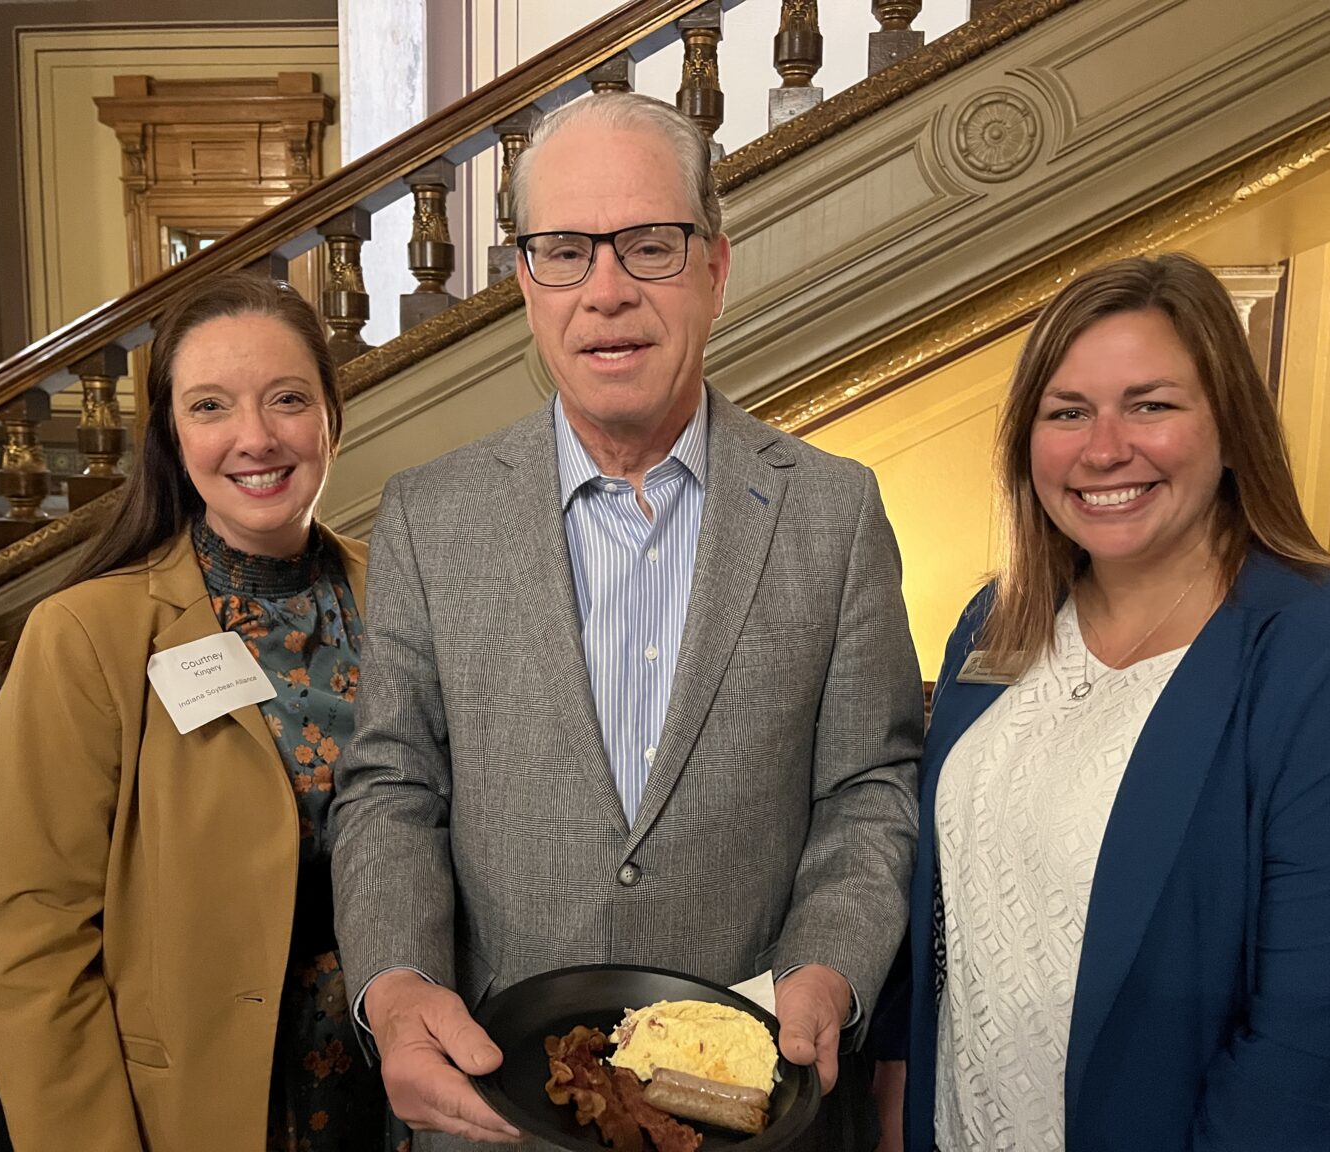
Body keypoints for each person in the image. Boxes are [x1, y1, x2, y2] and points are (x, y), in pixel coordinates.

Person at [330, 92, 925, 1150]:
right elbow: (392, 787)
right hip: (496, 1101)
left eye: (650, 245)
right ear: (526, 283)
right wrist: (396, 980)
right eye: (564, 251)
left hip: (756, 1105)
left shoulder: (834, 513)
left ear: (716, 269)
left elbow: (868, 789)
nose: (606, 291)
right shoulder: (429, 516)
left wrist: (829, 963)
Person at [872, 252, 1330, 1151]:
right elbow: (941, 914)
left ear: (1231, 428)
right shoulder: (997, 620)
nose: (1104, 448)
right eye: (1067, 412)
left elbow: (1323, 1057)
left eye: (1151, 405)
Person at [0, 273, 410, 1152]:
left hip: (405, 1093)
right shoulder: (85, 637)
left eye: (288, 398)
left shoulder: (406, 591)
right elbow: (34, 942)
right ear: (172, 437)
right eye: (211, 406)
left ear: (332, 416)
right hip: (206, 1109)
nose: (256, 437)